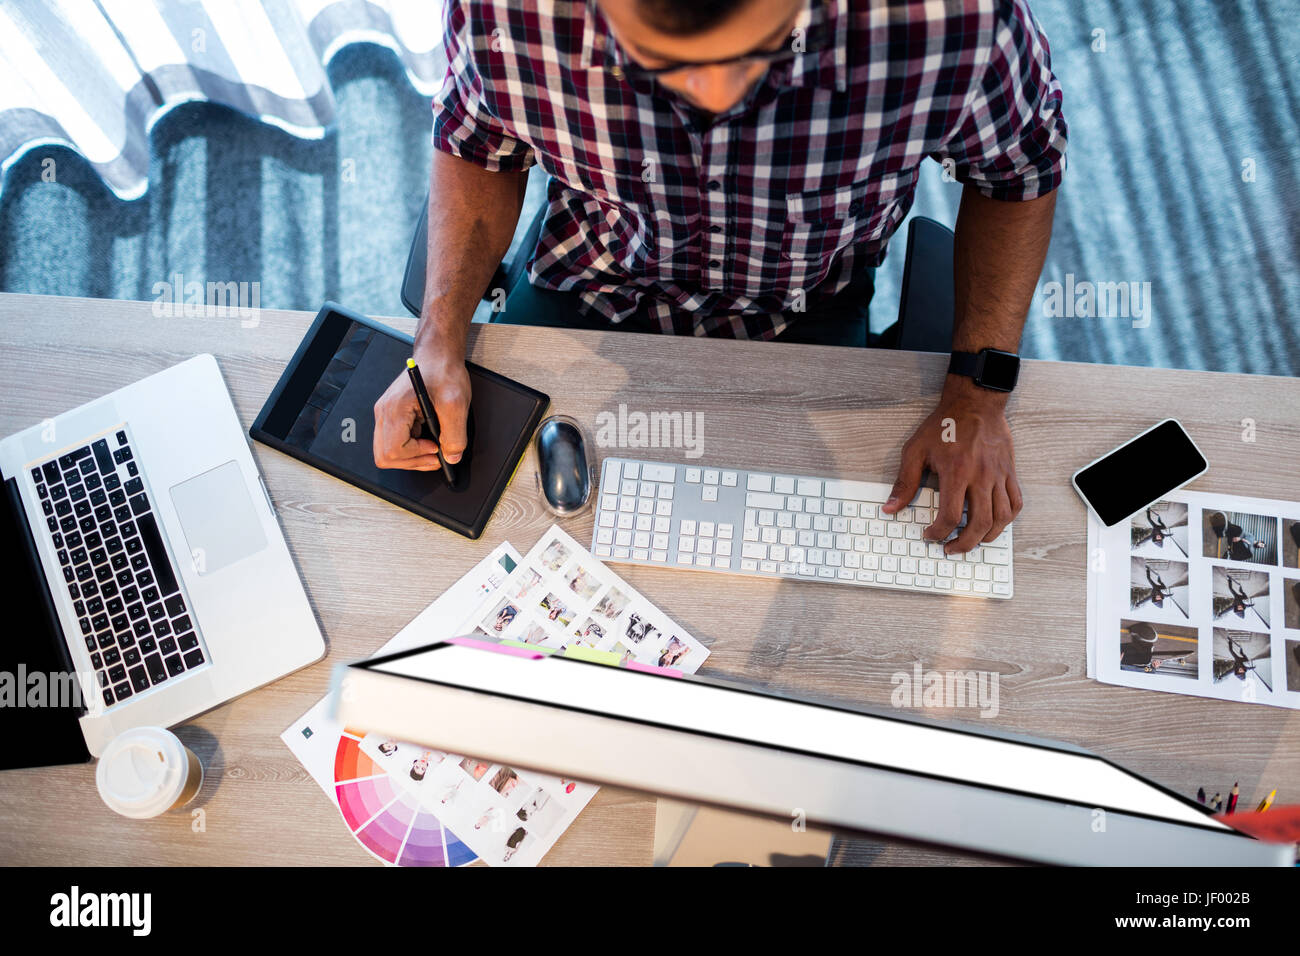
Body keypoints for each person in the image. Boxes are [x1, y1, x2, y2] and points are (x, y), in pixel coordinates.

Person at [372, 0, 1068, 558]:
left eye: (748, 55)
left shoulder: (956, 23)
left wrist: (977, 398)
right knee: (463, 549)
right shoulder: (508, 12)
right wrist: (435, 338)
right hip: (586, 284)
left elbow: (1018, 177)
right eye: (659, 60)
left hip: (803, 316)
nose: (708, 101)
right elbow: (477, 145)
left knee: (827, 565)